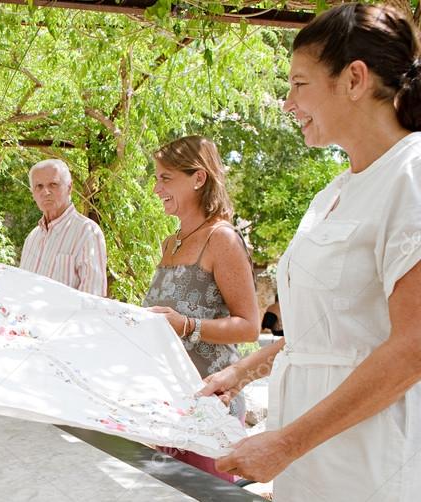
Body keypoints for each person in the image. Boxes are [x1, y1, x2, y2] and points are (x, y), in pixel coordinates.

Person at [199, 4, 421, 500]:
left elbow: (413, 348)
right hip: (311, 462)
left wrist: (288, 444)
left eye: (299, 85)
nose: (286, 103)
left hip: (371, 463)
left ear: (354, 79)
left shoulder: (413, 174)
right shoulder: (334, 194)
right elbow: (322, 336)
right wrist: (242, 370)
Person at [142, 136, 259, 481]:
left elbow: (250, 326)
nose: (155, 188)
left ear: (198, 178)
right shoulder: (170, 242)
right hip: (169, 404)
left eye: (165, 178)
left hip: (211, 405)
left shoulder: (221, 239)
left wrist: (188, 325)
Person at [18, 159, 108, 296]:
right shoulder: (32, 238)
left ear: (69, 187)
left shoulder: (87, 233)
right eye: (39, 186)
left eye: (53, 184)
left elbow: (92, 300)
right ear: (33, 193)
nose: (46, 192)